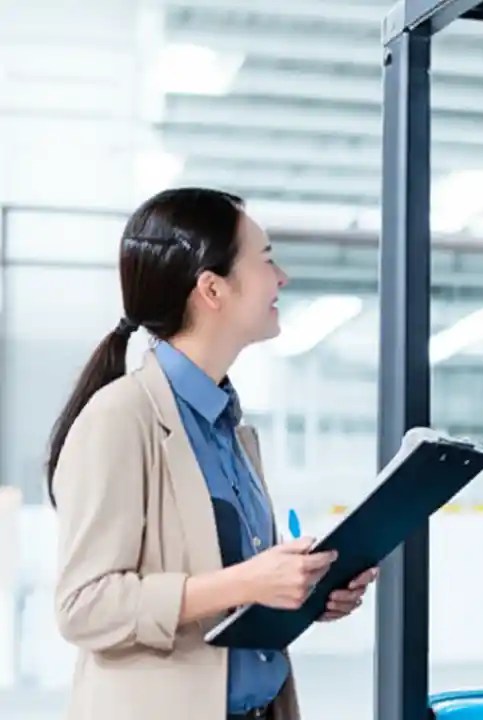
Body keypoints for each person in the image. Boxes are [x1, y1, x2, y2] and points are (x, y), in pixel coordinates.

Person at [47, 187, 378, 720]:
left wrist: (305, 593)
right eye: (267, 260)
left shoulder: (231, 429)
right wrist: (246, 581)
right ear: (212, 289)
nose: (282, 278)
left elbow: (227, 598)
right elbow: (83, 607)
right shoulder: (120, 418)